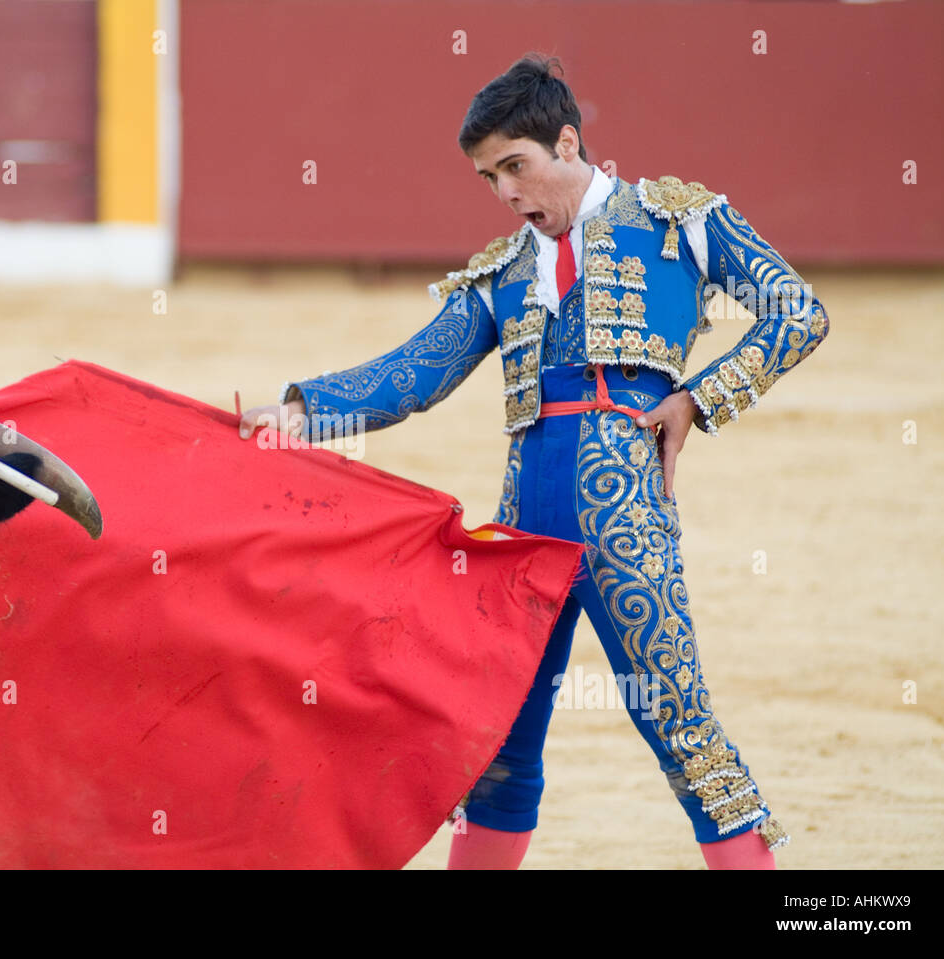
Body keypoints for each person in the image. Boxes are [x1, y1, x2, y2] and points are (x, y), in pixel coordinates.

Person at [238, 53, 828, 869]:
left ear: (568, 142)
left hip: (627, 522)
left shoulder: (679, 220)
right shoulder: (500, 271)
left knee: (682, 731)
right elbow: (415, 375)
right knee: (499, 746)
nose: (508, 193)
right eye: (488, 178)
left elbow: (798, 311)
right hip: (523, 533)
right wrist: (295, 414)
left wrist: (699, 398)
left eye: (516, 167)